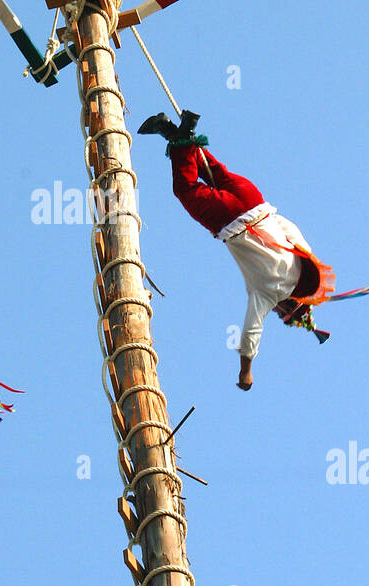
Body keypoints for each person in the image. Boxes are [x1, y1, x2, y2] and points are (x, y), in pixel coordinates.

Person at [137, 109, 333, 389]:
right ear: (289, 304)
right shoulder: (268, 293)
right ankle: (179, 136)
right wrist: (246, 372)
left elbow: (287, 226)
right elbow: (250, 334)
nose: (274, 312)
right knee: (186, 190)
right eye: (280, 313)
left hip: (254, 200)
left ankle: (174, 131)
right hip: (230, 220)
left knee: (209, 168)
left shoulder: (300, 257)